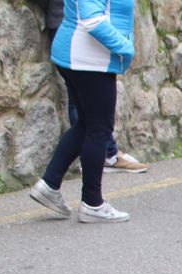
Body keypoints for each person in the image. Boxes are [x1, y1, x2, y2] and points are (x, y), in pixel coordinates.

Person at [28, 0, 135, 222]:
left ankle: (49, 183)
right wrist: (125, 48)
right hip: (89, 60)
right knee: (99, 129)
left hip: (82, 56)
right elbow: (91, 18)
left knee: (87, 124)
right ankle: (92, 203)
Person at [33, 0, 150, 175]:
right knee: (93, 122)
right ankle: (105, 158)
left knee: (89, 120)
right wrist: (127, 49)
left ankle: (53, 183)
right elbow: (91, 19)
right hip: (75, 28)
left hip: (78, 25)